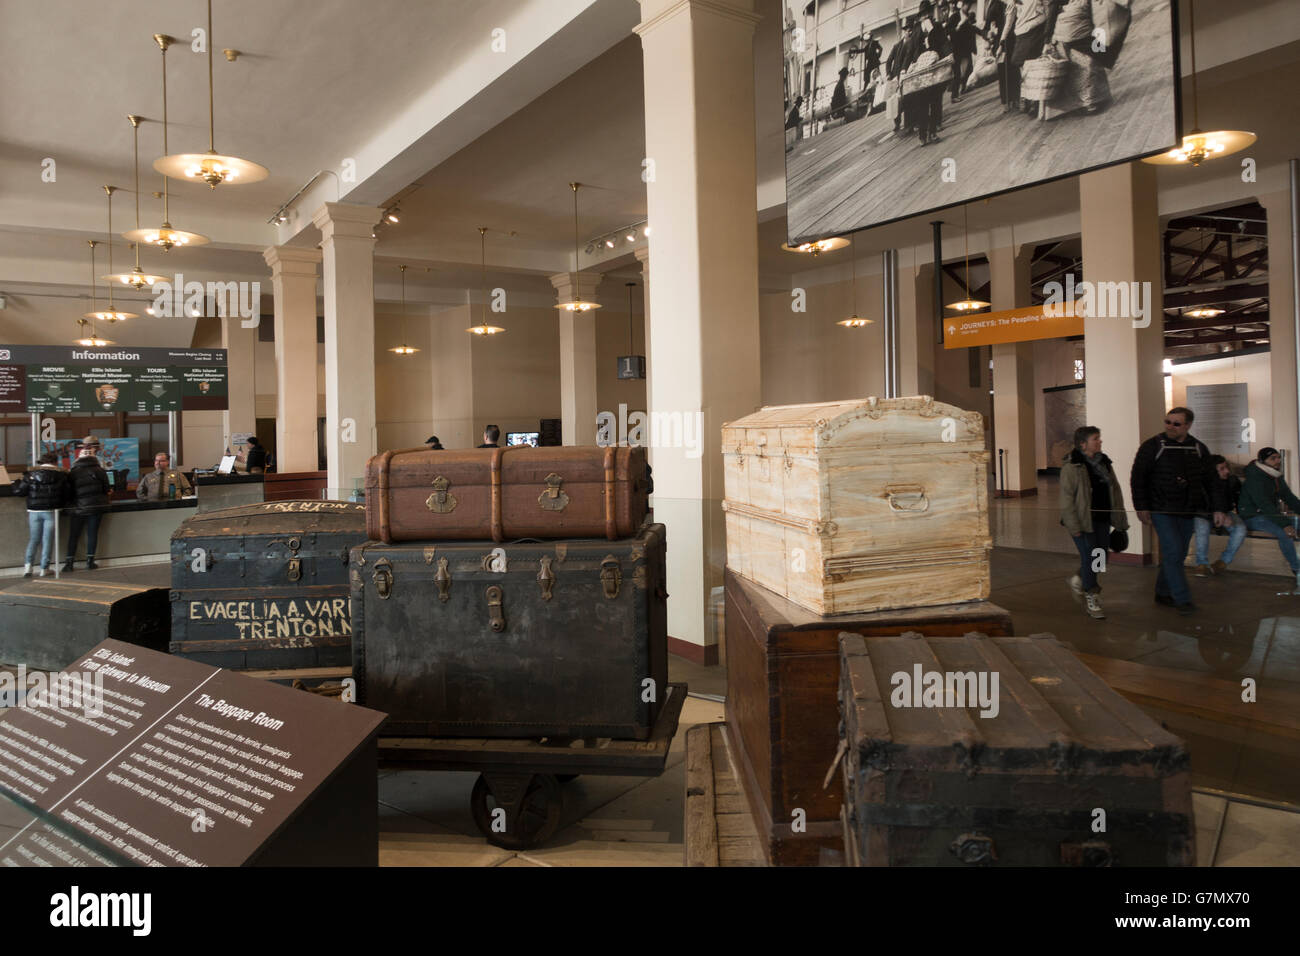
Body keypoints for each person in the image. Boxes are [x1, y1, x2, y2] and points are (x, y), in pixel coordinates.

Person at [1130, 407, 1226, 616]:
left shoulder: (1198, 448)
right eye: (1167, 422)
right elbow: (1138, 478)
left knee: (1179, 553)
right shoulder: (1152, 446)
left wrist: (1219, 508)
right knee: (1173, 551)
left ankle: (1162, 592)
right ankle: (1182, 599)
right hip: (1161, 509)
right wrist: (1142, 506)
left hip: (1187, 509)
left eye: (1176, 423)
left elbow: (1212, 481)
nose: (1170, 427)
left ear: (1188, 425)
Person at [1059, 426, 1128, 620]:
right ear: (1083, 444)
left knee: (1100, 558)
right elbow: (1066, 499)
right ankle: (1092, 595)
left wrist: (1120, 519)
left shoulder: (1104, 463)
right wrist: (1074, 526)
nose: (1100, 442)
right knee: (1090, 557)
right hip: (1082, 522)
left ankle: (1079, 578)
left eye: (1099, 438)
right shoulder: (1072, 466)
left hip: (1102, 519)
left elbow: (1115, 491)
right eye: (1095, 439)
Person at [1236, 447, 1300, 588]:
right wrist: (1284, 524)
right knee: (1284, 532)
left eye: (1278, 457)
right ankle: (1297, 570)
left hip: (1268, 514)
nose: (1277, 461)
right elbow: (1264, 504)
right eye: (1273, 458)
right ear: (1263, 461)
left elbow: (1289, 498)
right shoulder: (1255, 477)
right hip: (1252, 516)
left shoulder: (1275, 475)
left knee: (1292, 525)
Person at [12, 451, 71, 578]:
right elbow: (67, 493)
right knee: (47, 540)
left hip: (34, 512)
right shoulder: (61, 475)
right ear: (55, 462)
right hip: (51, 511)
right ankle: (44, 568)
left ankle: (28, 567)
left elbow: (20, 491)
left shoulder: (30, 475)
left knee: (34, 539)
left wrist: (16, 482)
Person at [1192, 455, 1246, 576]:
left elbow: (1230, 501)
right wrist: (1217, 513)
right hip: (1202, 513)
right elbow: (1200, 505)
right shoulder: (1200, 483)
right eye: (1222, 468)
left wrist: (1224, 513)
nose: (1226, 471)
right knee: (1202, 527)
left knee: (1240, 528)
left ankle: (1223, 561)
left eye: (1226, 467)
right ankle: (1201, 563)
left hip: (1224, 512)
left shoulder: (1231, 481)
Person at [65, 437, 112, 572]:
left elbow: (69, 490)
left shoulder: (73, 471)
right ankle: (90, 562)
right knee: (92, 534)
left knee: (74, 534)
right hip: (96, 507)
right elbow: (106, 489)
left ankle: (69, 563)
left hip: (78, 507)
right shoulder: (100, 470)